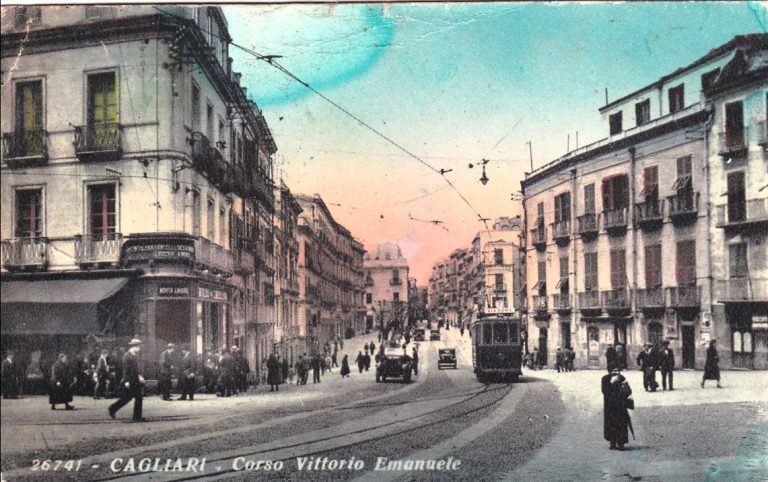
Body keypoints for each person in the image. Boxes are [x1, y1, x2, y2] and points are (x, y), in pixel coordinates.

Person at [109, 338, 145, 422]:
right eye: (139, 347)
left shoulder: (133, 355)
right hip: (130, 381)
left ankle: (137, 417)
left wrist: (139, 376)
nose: (139, 349)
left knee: (137, 398)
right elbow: (125, 370)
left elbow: (134, 370)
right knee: (127, 398)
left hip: (135, 380)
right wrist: (126, 381)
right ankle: (112, 408)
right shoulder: (127, 356)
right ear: (134, 347)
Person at [601, 367, 634, 451]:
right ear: (610, 371)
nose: (617, 372)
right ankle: (612, 442)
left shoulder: (622, 378)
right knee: (611, 423)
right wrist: (611, 382)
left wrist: (626, 389)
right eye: (614, 370)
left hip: (620, 405)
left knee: (621, 423)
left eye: (618, 370)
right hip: (610, 406)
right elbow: (605, 391)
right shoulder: (605, 379)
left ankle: (621, 443)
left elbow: (628, 391)